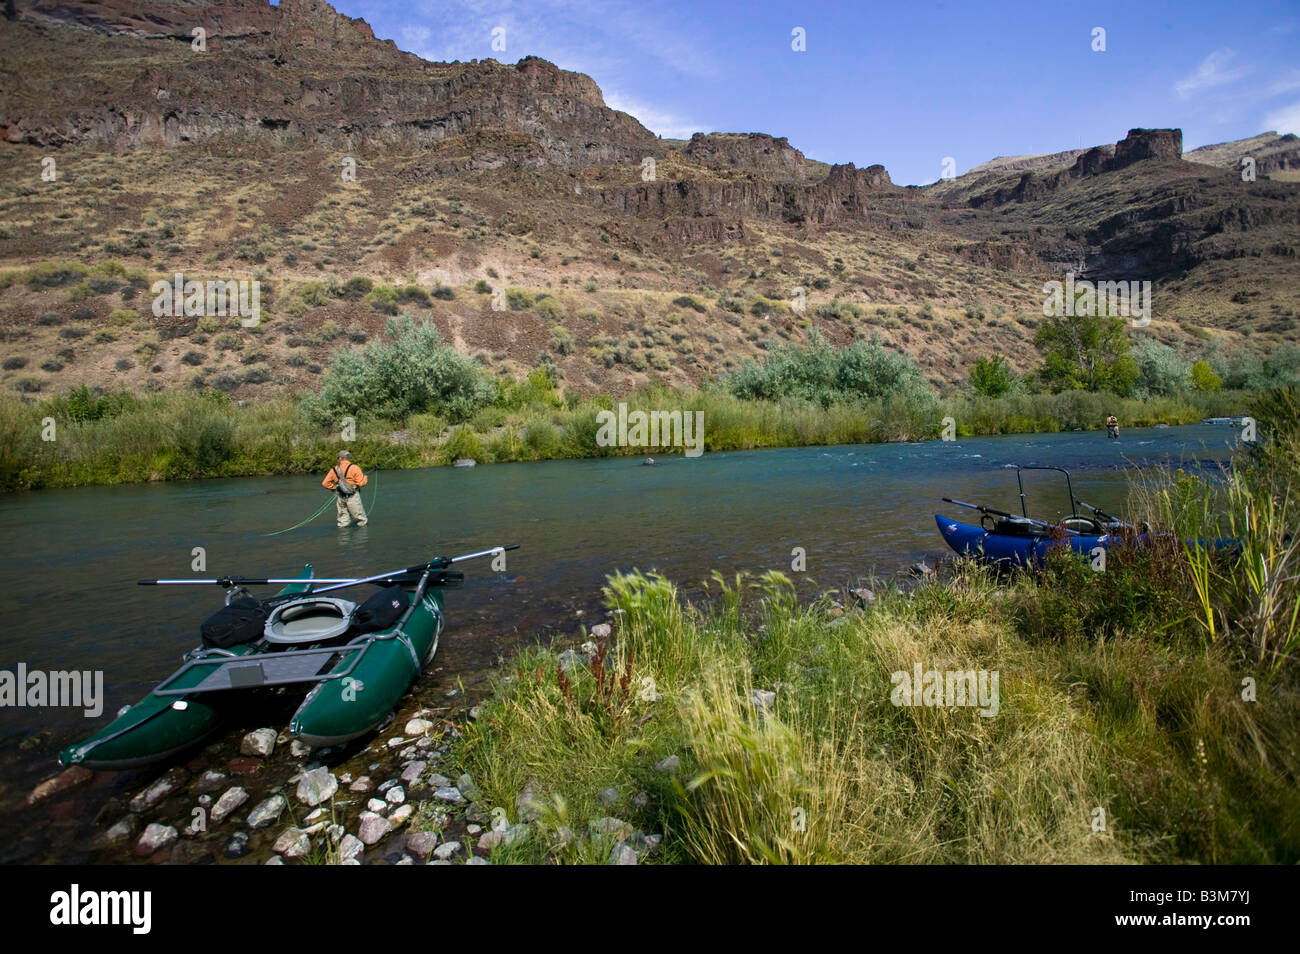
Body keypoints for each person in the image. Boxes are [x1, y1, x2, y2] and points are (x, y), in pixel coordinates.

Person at [322, 451, 368, 527]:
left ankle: (343, 537)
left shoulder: (334, 470)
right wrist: (365, 478)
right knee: (361, 520)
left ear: (340, 458)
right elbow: (361, 483)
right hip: (353, 496)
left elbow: (325, 483)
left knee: (343, 521)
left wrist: (334, 489)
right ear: (348, 458)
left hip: (340, 496)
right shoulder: (355, 468)